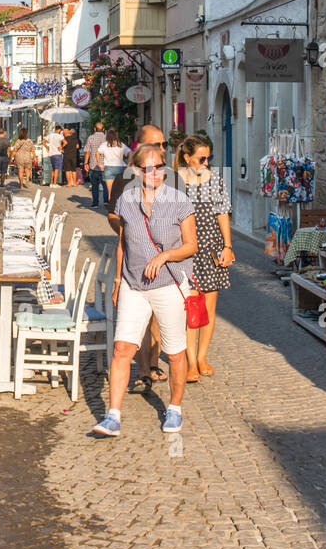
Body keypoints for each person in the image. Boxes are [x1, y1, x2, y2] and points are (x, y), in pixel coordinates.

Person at [94, 142, 197, 437]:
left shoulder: (179, 201)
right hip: (133, 284)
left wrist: (164, 255)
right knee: (122, 347)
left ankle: (174, 409)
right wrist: (117, 281)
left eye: (159, 167)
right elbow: (124, 243)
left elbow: (191, 245)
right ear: (136, 170)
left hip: (169, 284)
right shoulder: (127, 200)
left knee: (175, 353)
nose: (154, 173)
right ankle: (113, 415)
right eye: (147, 168)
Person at [108, 124, 168, 385]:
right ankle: (144, 370)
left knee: (158, 316)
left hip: (165, 258)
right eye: (157, 145)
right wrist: (132, 229)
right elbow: (113, 214)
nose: (163, 149)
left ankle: (153, 362)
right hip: (135, 258)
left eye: (164, 145)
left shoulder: (171, 177)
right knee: (142, 315)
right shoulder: (125, 178)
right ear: (140, 147)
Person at [175, 136, 235, 381]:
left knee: (209, 309)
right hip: (187, 249)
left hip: (212, 249)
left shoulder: (216, 180)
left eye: (209, 158)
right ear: (187, 157)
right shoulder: (175, 182)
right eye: (202, 158)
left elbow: (222, 215)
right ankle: (190, 362)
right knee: (191, 308)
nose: (206, 162)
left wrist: (228, 246)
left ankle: (202, 358)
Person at [97, 128, 130, 203]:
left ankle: (111, 209)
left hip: (108, 168)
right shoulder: (121, 144)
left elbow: (97, 152)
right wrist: (129, 163)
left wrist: (99, 163)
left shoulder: (104, 145)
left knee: (110, 192)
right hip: (120, 168)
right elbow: (130, 152)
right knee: (119, 191)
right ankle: (119, 208)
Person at [84, 121, 107, 208]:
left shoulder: (91, 137)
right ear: (103, 129)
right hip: (105, 166)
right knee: (105, 185)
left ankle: (95, 203)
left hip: (93, 165)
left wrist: (86, 163)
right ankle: (106, 201)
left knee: (94, 186)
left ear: (94, 129)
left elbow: (87, 151)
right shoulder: (107, 138)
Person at [10, 126, 36, 190]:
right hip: (27, 157)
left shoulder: (18, 141)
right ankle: (27, 180)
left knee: (20, 171)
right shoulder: (30, 141)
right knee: (27, 170)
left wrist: (11, 157)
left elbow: (15, 150)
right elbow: (32, 150)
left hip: (19, 157)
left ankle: (21, 185)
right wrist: (35, 158)